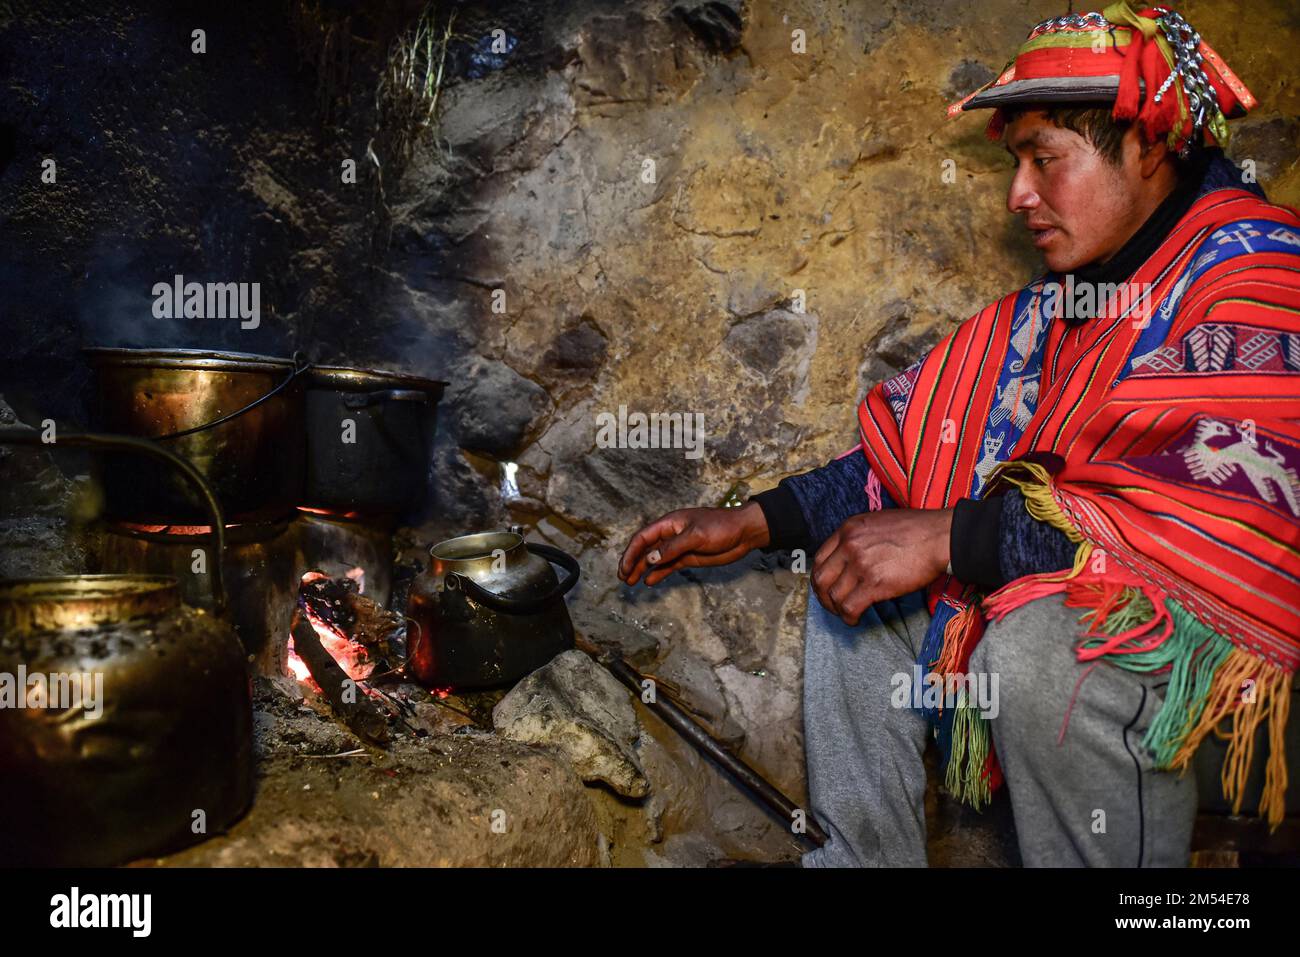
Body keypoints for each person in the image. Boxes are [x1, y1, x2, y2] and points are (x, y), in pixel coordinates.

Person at [618, 3, 1300, 867]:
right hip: (1124, 655)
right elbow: (920, 454)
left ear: (1149, 145)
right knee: (857, 572)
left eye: (1045, 159)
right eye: (1017, 163)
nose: (1020, 195)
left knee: (1051, 653)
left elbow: (1205, 541)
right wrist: (755, 522)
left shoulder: (1258, 281)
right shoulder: (1071, 305)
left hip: (1242, 696)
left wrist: (953, 536)